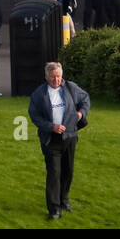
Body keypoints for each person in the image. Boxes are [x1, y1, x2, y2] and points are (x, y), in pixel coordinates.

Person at [27, 61, 90, 220]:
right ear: (46, 77)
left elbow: (85, 99)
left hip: (69, 137)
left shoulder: (70, 88)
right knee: (54, 173)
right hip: (51, 139)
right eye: (53, 77)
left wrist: (81, 113)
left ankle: (64, 200)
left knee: (68, 171)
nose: (57, 80)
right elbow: (35, 116)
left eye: (59, 76)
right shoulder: (39, 95)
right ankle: (54, 209)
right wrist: (51, 126)